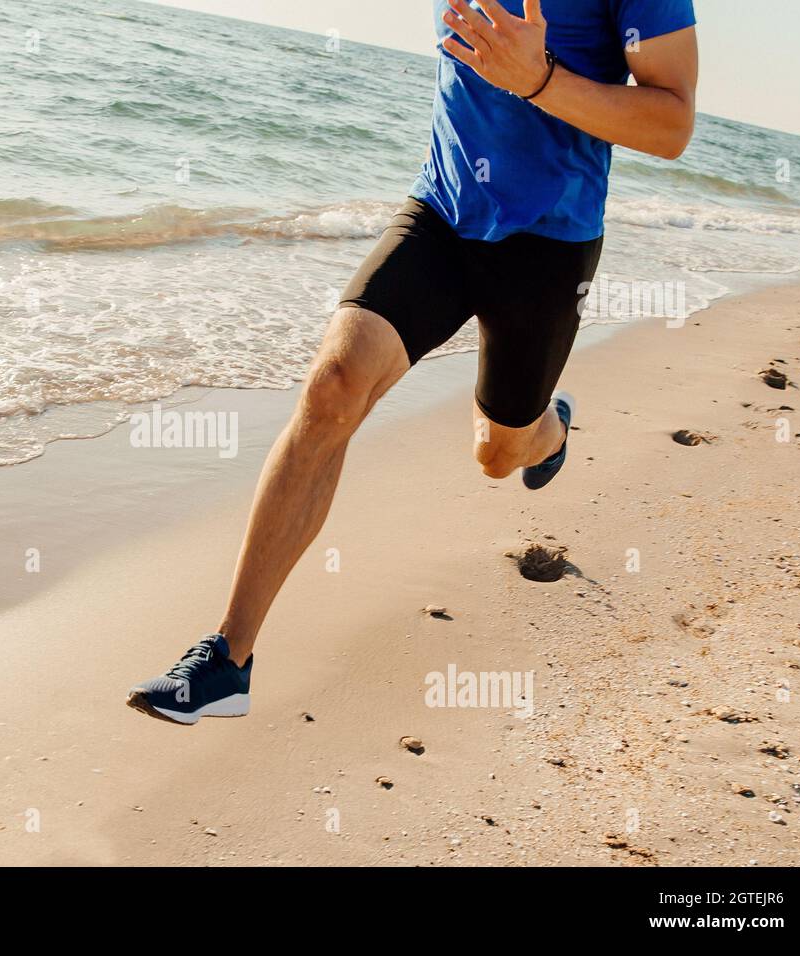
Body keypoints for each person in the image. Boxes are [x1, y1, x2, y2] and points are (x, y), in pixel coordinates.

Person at [127, 0, 698, 724]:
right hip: (443, 214)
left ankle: (546, 430)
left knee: (497, 454)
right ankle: (227, 661)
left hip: (549, 244)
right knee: (334, 386)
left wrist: (539, 79)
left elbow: (672, 124)